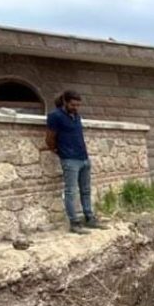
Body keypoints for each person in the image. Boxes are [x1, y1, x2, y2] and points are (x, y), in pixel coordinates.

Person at [46, 90, 106, 234]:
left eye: (78, 105)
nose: (76, 107)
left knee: (86, 190)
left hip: (83, 158)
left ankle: (89, 218)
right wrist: (58, 151)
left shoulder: (76, 116)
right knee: (71, 192)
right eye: (73, 104)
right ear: (65, 102)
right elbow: (50, 138)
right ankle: (74, 223)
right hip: (69, 159)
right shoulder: (55, 116)